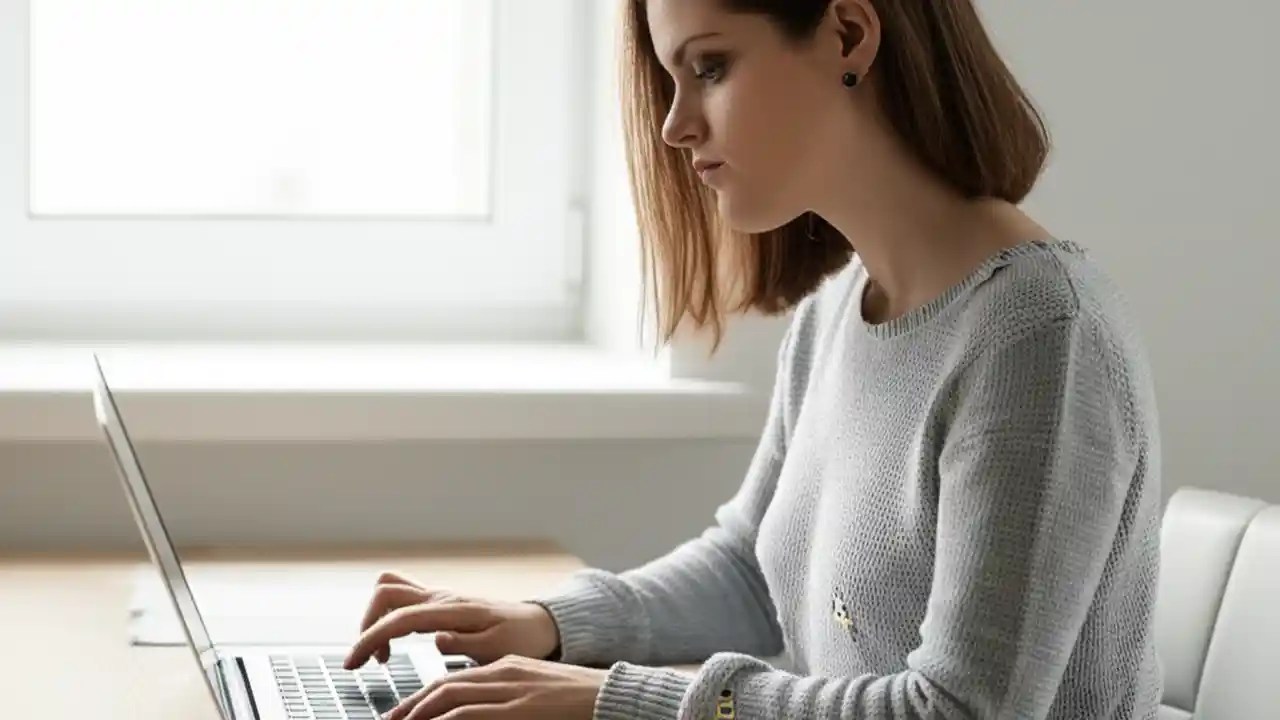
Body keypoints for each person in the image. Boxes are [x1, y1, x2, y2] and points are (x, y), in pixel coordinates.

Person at [343, 0, 1163, 717]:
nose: (675, 124)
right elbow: (751, 571)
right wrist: (550, 623)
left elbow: (958, 711)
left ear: (847, 35)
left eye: (710, 66)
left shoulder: (1040, 335)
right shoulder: (841, 307)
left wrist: (617, 700)